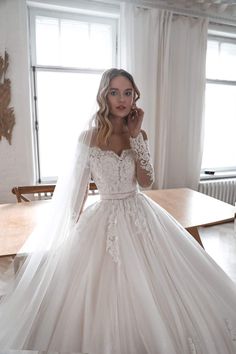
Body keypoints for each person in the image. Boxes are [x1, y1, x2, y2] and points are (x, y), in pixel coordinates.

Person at [0, 68, 236, 354]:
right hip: (103, 217)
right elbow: (77, 193)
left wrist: (136, 137)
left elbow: (147, 182)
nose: (122, 99)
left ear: (134, 96)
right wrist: (70, 235)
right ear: (104, 96)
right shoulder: (87, 138)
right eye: (114, 92)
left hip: (140, 213)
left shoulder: (139, 133)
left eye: (127, 92)